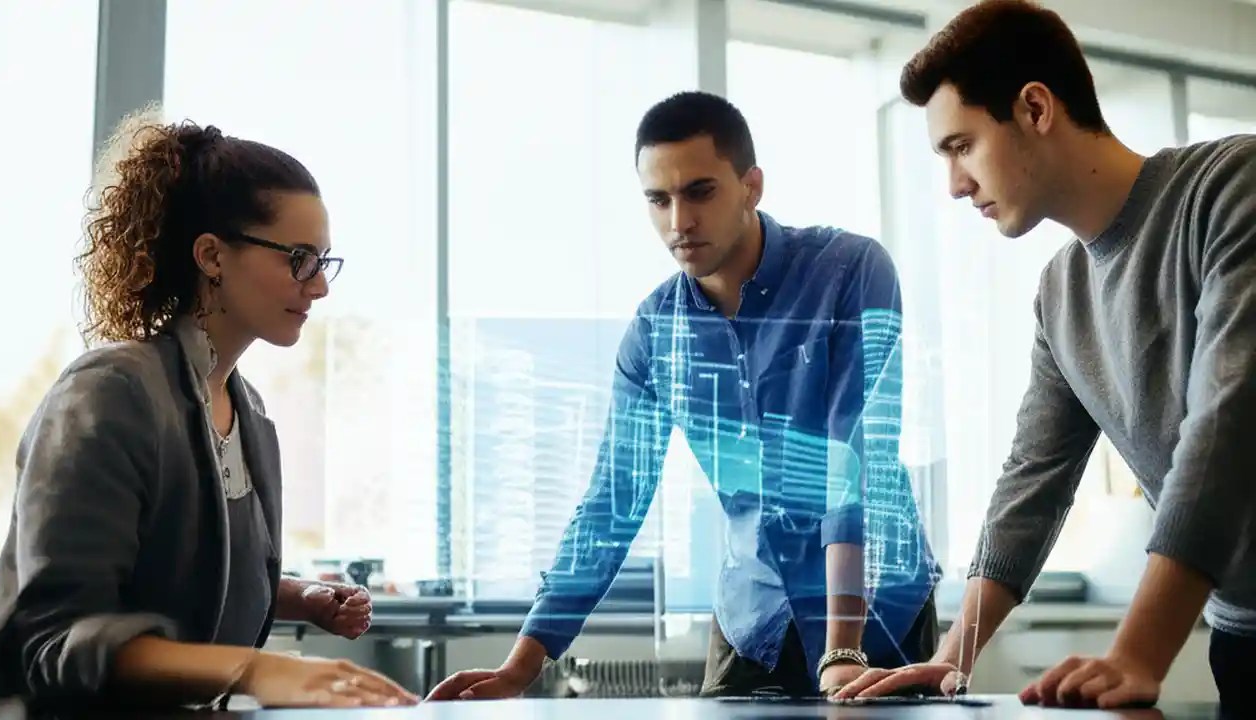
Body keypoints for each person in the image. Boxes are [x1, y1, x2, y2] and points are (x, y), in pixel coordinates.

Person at [428, 91, 941, 701]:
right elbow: (612, 502)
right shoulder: (654, 334)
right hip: (755, 619)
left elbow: (854, 457)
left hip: (878, 610)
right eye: (658, 198)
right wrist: (522, 662)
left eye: (700, 192)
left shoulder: (851, 269)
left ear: (751, 186)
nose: (679, 221)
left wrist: (842, 649)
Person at [832, 0, 1256, 714]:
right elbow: (1033, 481)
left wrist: (1138, 653)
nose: (954, 184)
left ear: (1034, 108)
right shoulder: (1060, 293)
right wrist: (951, 660)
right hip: (1240, 638)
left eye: (961, 146)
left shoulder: (1230, 186)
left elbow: (1230, 420)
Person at [0, 109, 417, 710]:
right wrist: (254, 670)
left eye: (323, 262)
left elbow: (183, 570)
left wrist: (298, 598)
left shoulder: (250, 415)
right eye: (299, 259)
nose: (319, 287)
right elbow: (56, 639)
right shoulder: (108, 392)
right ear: (211, 256)